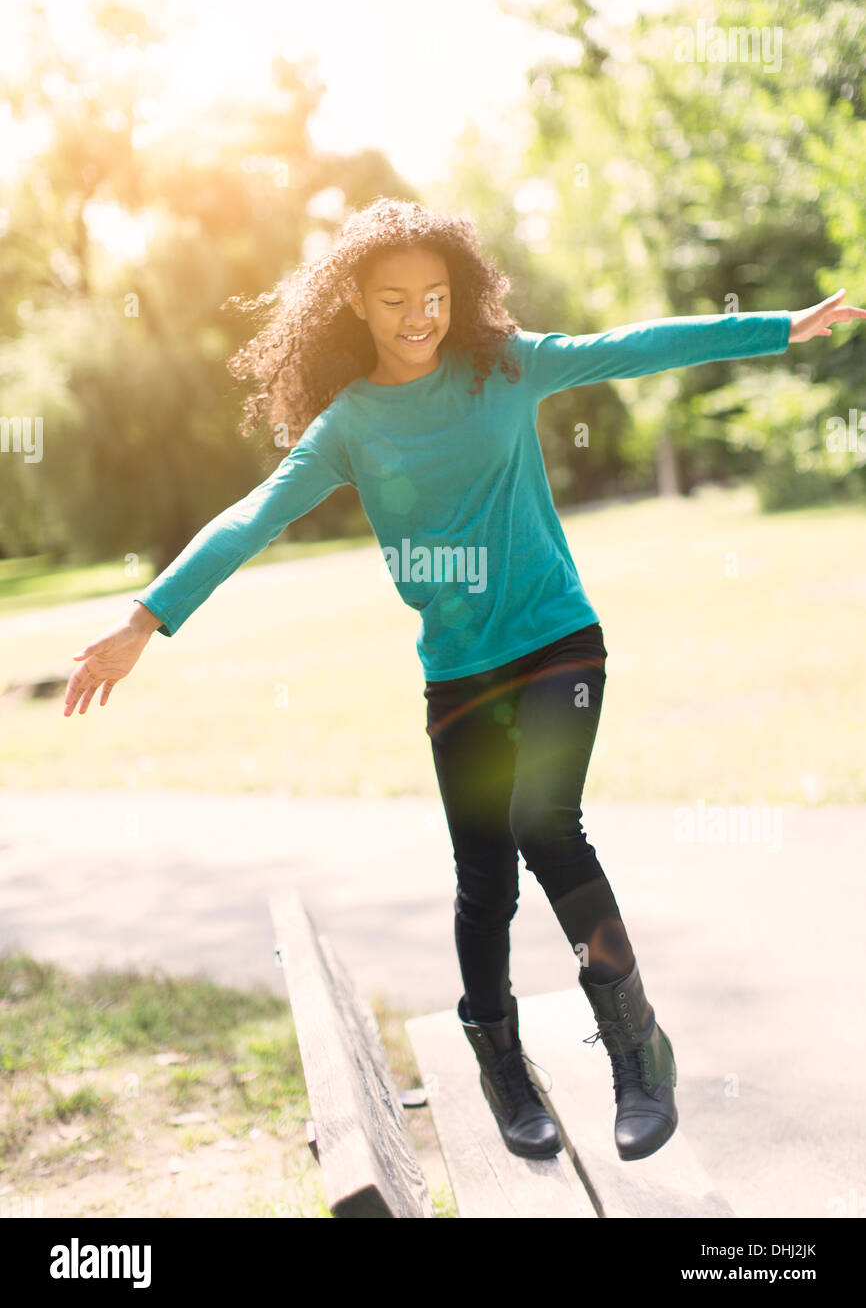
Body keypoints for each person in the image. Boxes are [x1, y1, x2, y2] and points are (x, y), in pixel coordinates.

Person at [63, 196, 865, 1164]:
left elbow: (634, 345)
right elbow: (251, 517)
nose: (417, 315)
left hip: (555, 638)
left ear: (459, 293)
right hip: (458, 670)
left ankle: (634, 1051)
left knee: (544, 826)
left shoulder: (506, 362)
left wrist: (777, 325)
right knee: (482, 880)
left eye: (434, 295)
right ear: (354, 301)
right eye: (394, 298)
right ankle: (504, 1070)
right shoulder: (350, 423)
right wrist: (143, 617)